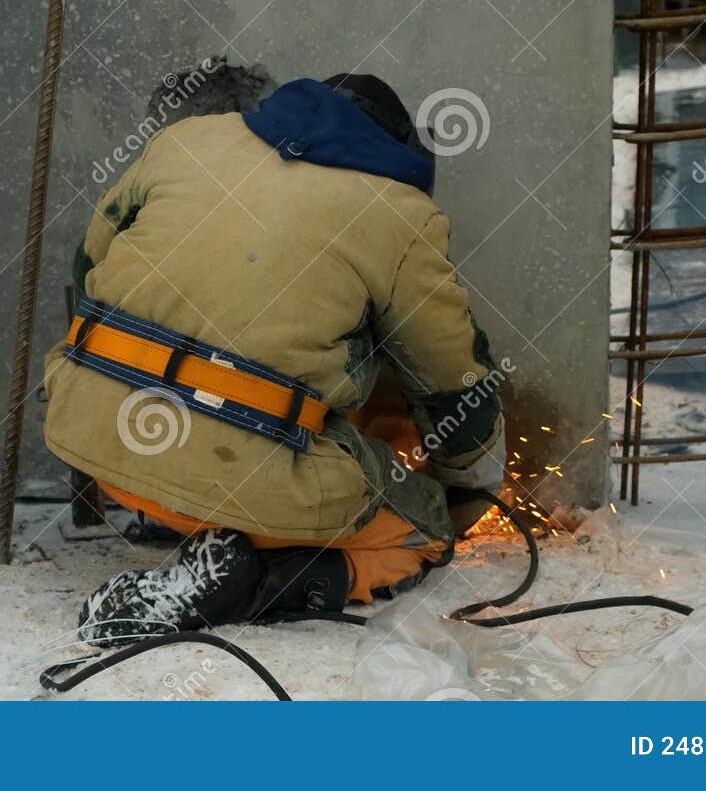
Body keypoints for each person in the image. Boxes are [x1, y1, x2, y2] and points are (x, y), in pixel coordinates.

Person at [43, 69, 504, 645]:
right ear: (398, 150)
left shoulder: (186, 140)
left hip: (97, 445)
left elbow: (88, 266)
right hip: (241, 476)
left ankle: (206, 526)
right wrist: (474, 483)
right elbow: (450, 378)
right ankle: (260, 580)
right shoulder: (404, 215)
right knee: (426, 530)